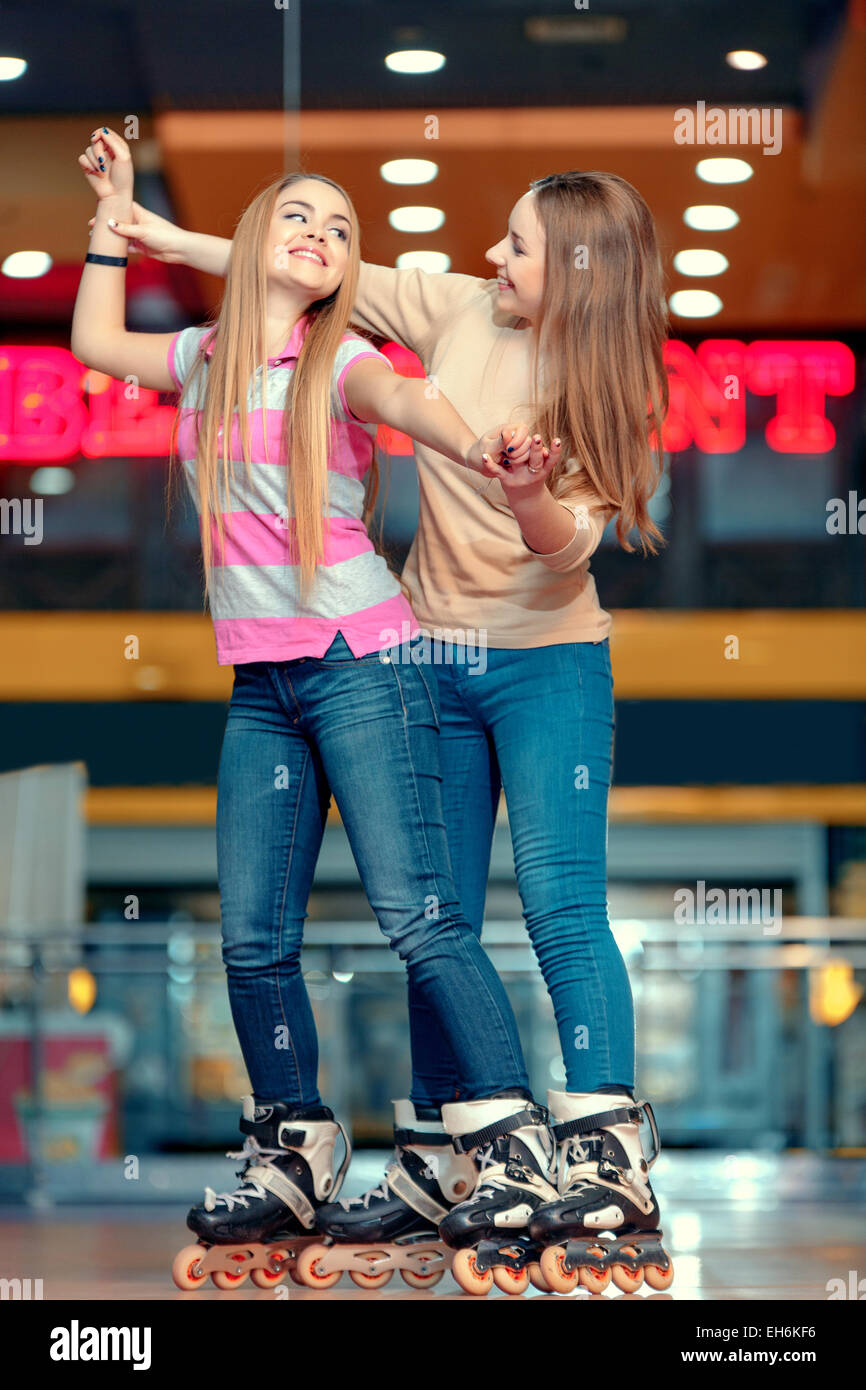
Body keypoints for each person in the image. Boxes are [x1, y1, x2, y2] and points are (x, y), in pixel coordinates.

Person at [85, 160, 675, 1296]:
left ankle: (601, 1147)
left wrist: (522, 489)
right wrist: (152, 233)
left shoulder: (612, 383)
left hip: (548, 663)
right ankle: (441, 1150)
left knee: (558, 901)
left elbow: (565, 551)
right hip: (427, 655)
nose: (490, 261)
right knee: (433, 910)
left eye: (515, 250)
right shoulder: (458, 305)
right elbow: (295, 270)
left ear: (578, 279)